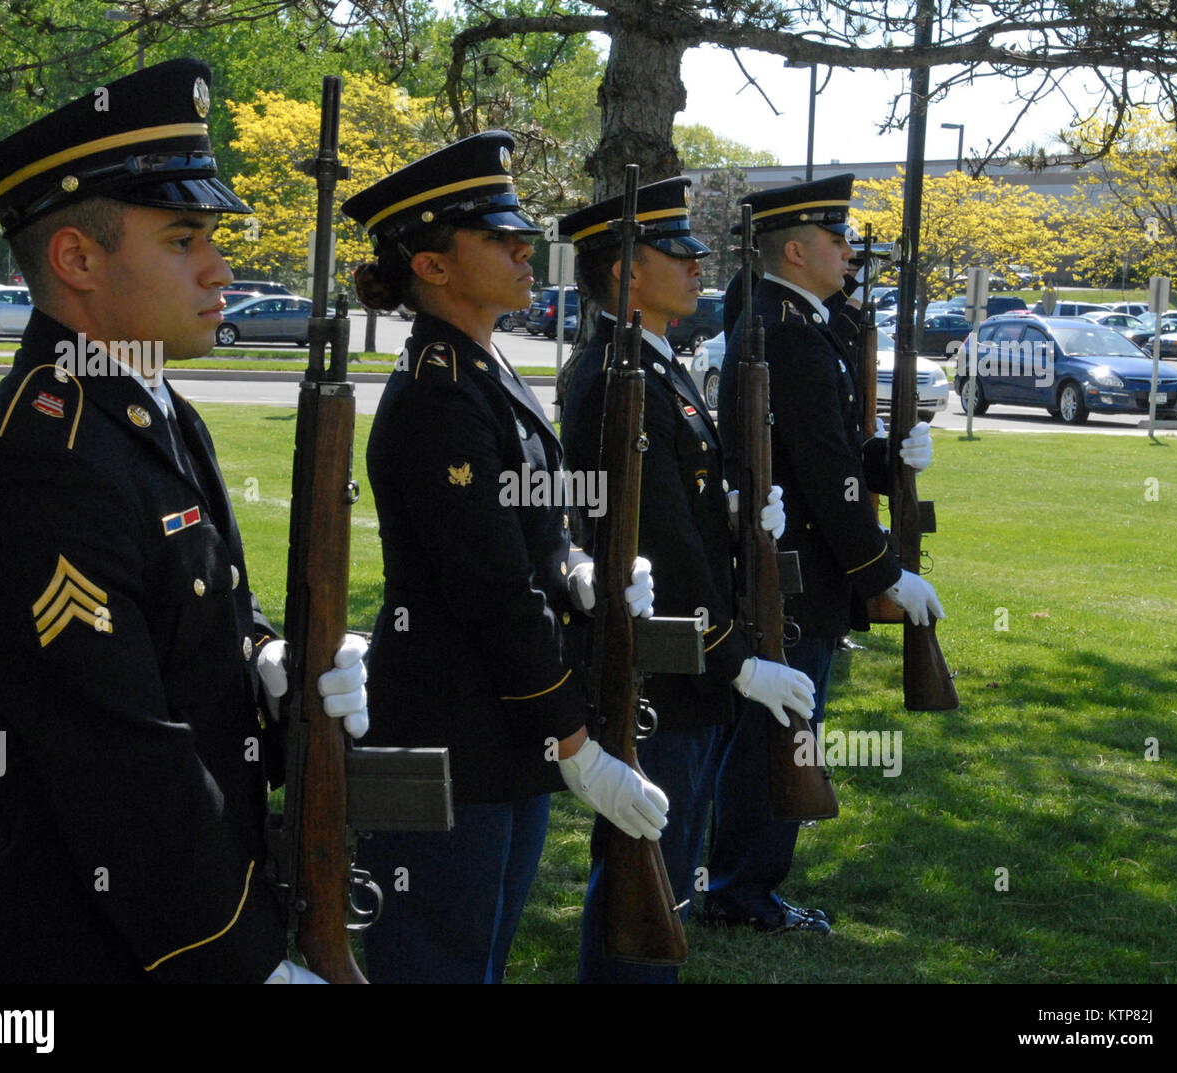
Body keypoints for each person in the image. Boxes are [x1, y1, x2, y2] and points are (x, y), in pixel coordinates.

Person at [0, 59, 365, 984]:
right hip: (83, 951)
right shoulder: (38, 464)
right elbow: (123, 765)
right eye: (182, 238)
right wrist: (250, 968)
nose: (221, 267)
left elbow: (196, 617)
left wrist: (268, 661)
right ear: (77, 260)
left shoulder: (150, 406)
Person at [340, 131, 667, 984]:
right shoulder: (440, 396)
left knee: (478, 953)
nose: (527, 249)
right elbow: (492, 589)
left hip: (504, 726)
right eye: (498, 237)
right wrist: (575, 741)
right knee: (437, 959)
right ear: (434, 265)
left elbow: (536, 533)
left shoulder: (489, 369)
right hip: (450, 728)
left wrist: (580, 573)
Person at [558, 178, 816, 983]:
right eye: (679, 253)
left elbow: (688, 506)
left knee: (664, 861)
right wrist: (734, 655)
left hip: (688, 670)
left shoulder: (655, 365)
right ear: (629, 271)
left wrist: (738, 507)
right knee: (647, 859)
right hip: (662, 668)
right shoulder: (615, 373)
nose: (698, 267)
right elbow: (660, 544)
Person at [707, 175, 941, 933]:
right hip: (795, 575)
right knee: (777, 737)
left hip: (798, 566)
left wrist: (886, 460)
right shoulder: (789, 334)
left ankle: (744, 882)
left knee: (779, 730)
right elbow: (824, 476)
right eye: (836, 240)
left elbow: (835, 456)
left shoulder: (798, 325)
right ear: (798, 250)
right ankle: (744, 889)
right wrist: (881, 572)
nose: (849, 251)